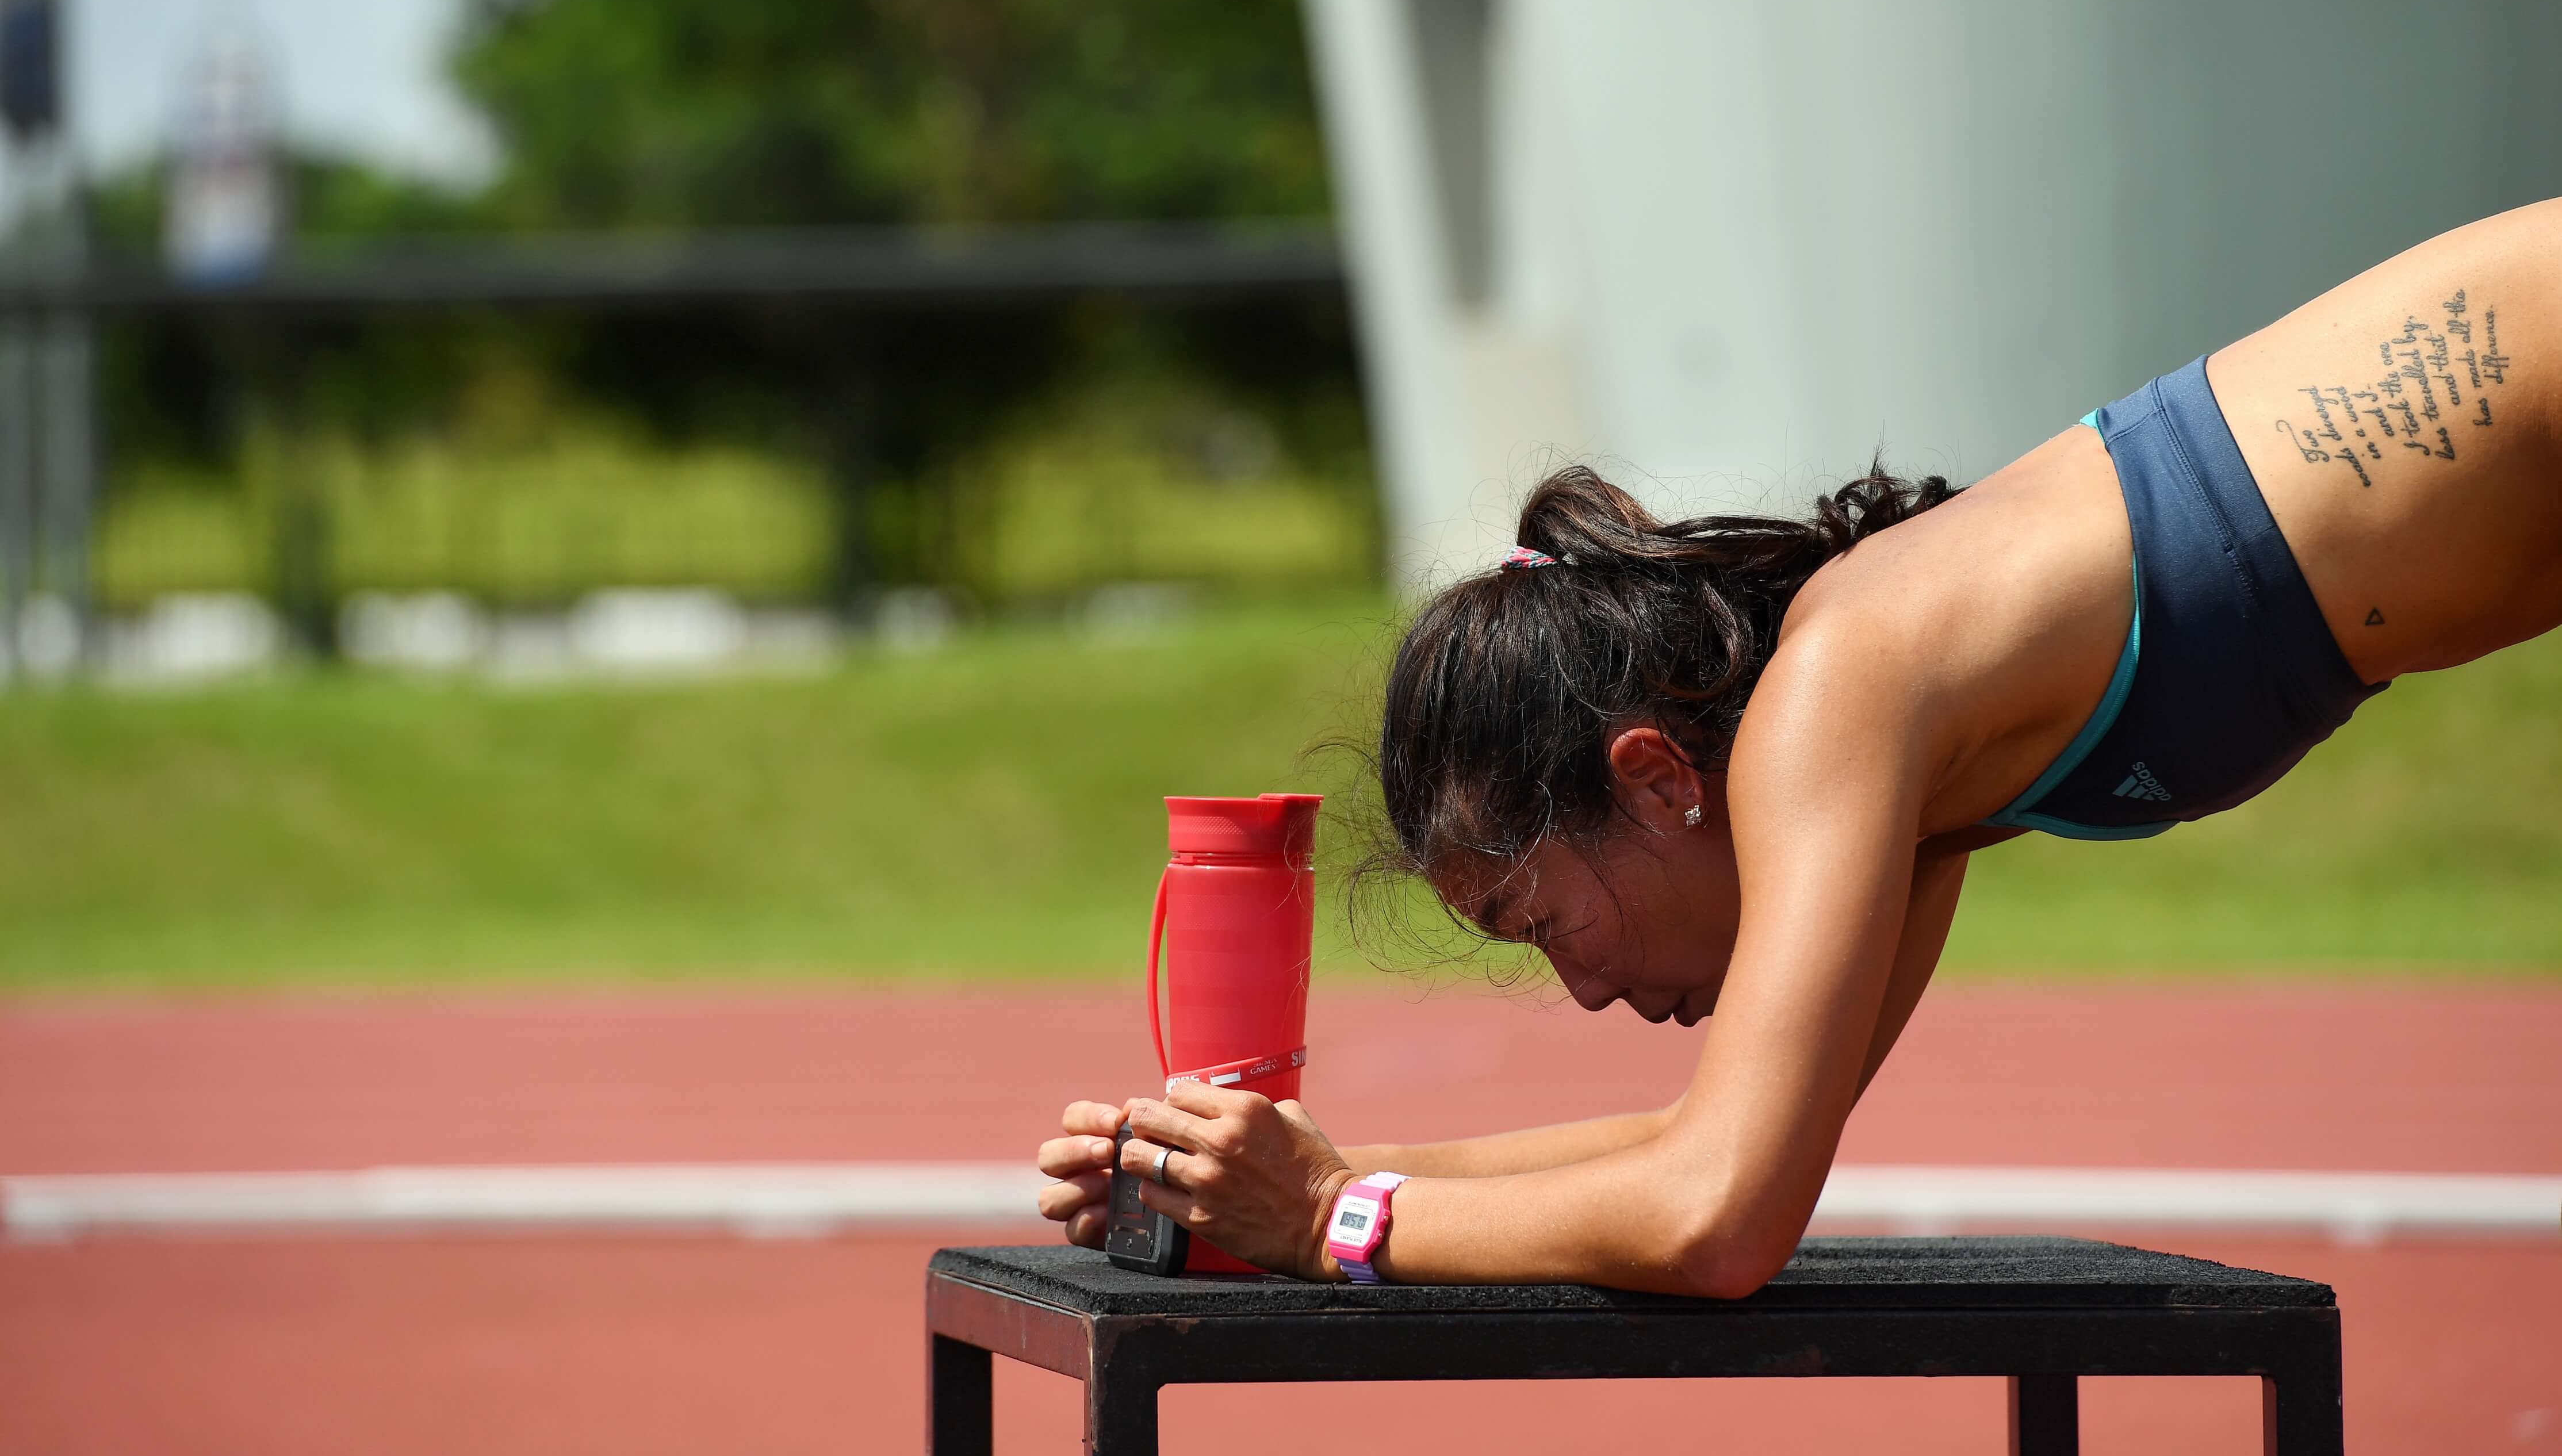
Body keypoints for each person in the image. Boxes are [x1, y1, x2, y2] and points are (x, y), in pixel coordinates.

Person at [1036, 198, 2561, 1294]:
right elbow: (1709, 1146)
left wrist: (1331, 1222)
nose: (1579, 985)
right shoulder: (1893, 738)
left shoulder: (1841, 694)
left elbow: (1718, 1219)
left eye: (1540, 915)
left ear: (1653, 774)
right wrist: (1294, 1173)